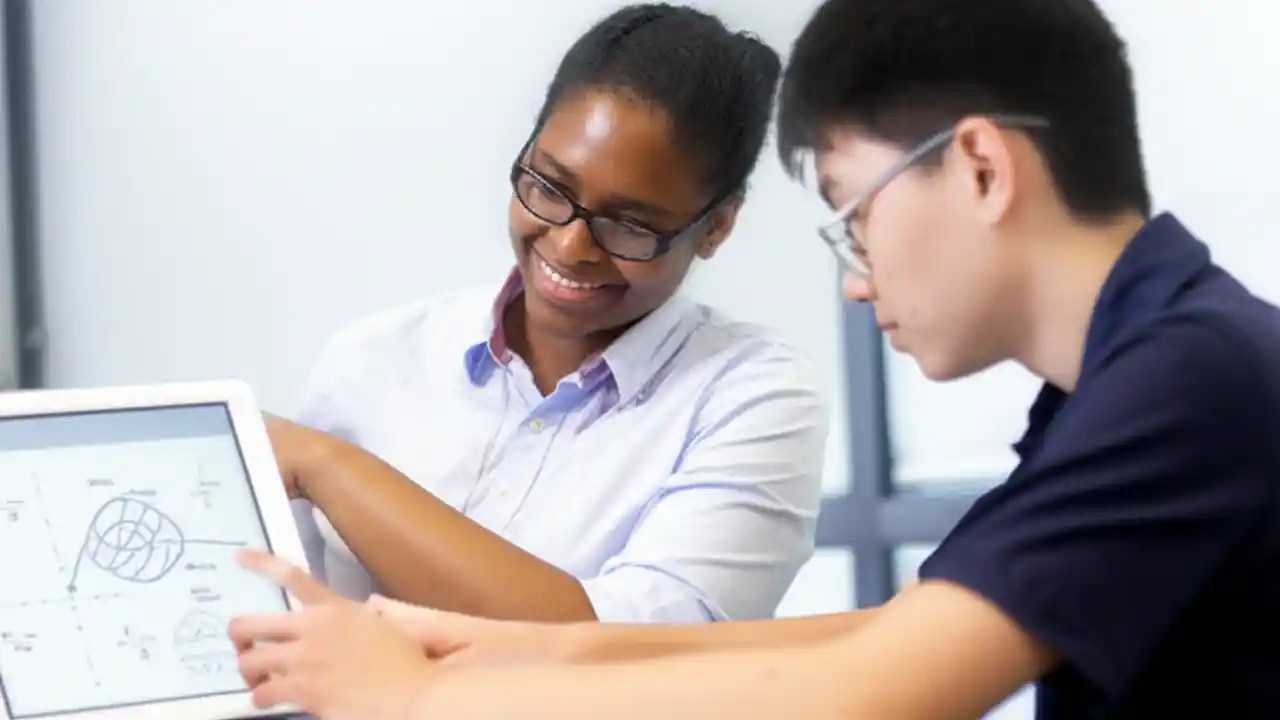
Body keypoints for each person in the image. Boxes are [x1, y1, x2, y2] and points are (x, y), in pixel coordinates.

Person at [230, 0, 1280, 718]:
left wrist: (422, 696)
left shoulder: (1190, 382)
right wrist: (492, 651)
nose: (855, 279)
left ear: (975, 166)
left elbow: (865, 691)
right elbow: (880, 633)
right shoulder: (1131, 381)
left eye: (852, 218)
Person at [267, 3, 826, 625]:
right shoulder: (369, 361)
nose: (568, 247)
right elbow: (278, 610)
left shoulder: (751, 398)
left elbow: (636, 652)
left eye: (629, 226)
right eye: (550, 187)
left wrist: (333, 469)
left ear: (717, 226)